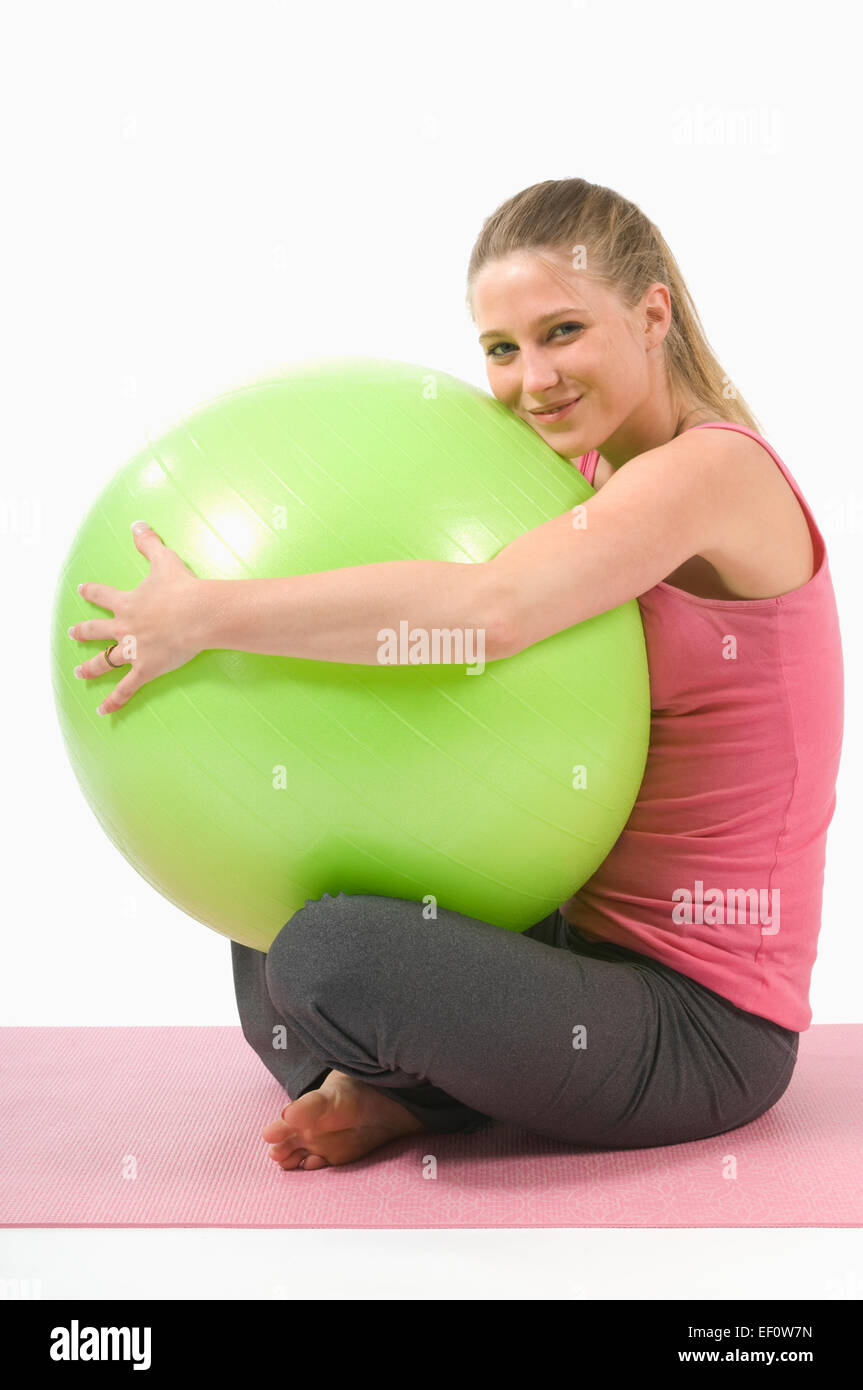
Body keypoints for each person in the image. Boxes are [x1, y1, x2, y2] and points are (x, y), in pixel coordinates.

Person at [74, 178, 844, 1172]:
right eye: (500, 348)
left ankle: (407, 1088)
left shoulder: (713, 474)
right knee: (276, 880)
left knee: (324, 953)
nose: (533, 378)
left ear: (651, 312)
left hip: (700, 1027)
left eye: (561, 331)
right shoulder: (579, 477)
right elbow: (429, 589)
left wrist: (207, 617)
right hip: (560, 937)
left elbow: (488, 611)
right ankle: (412, 1087)